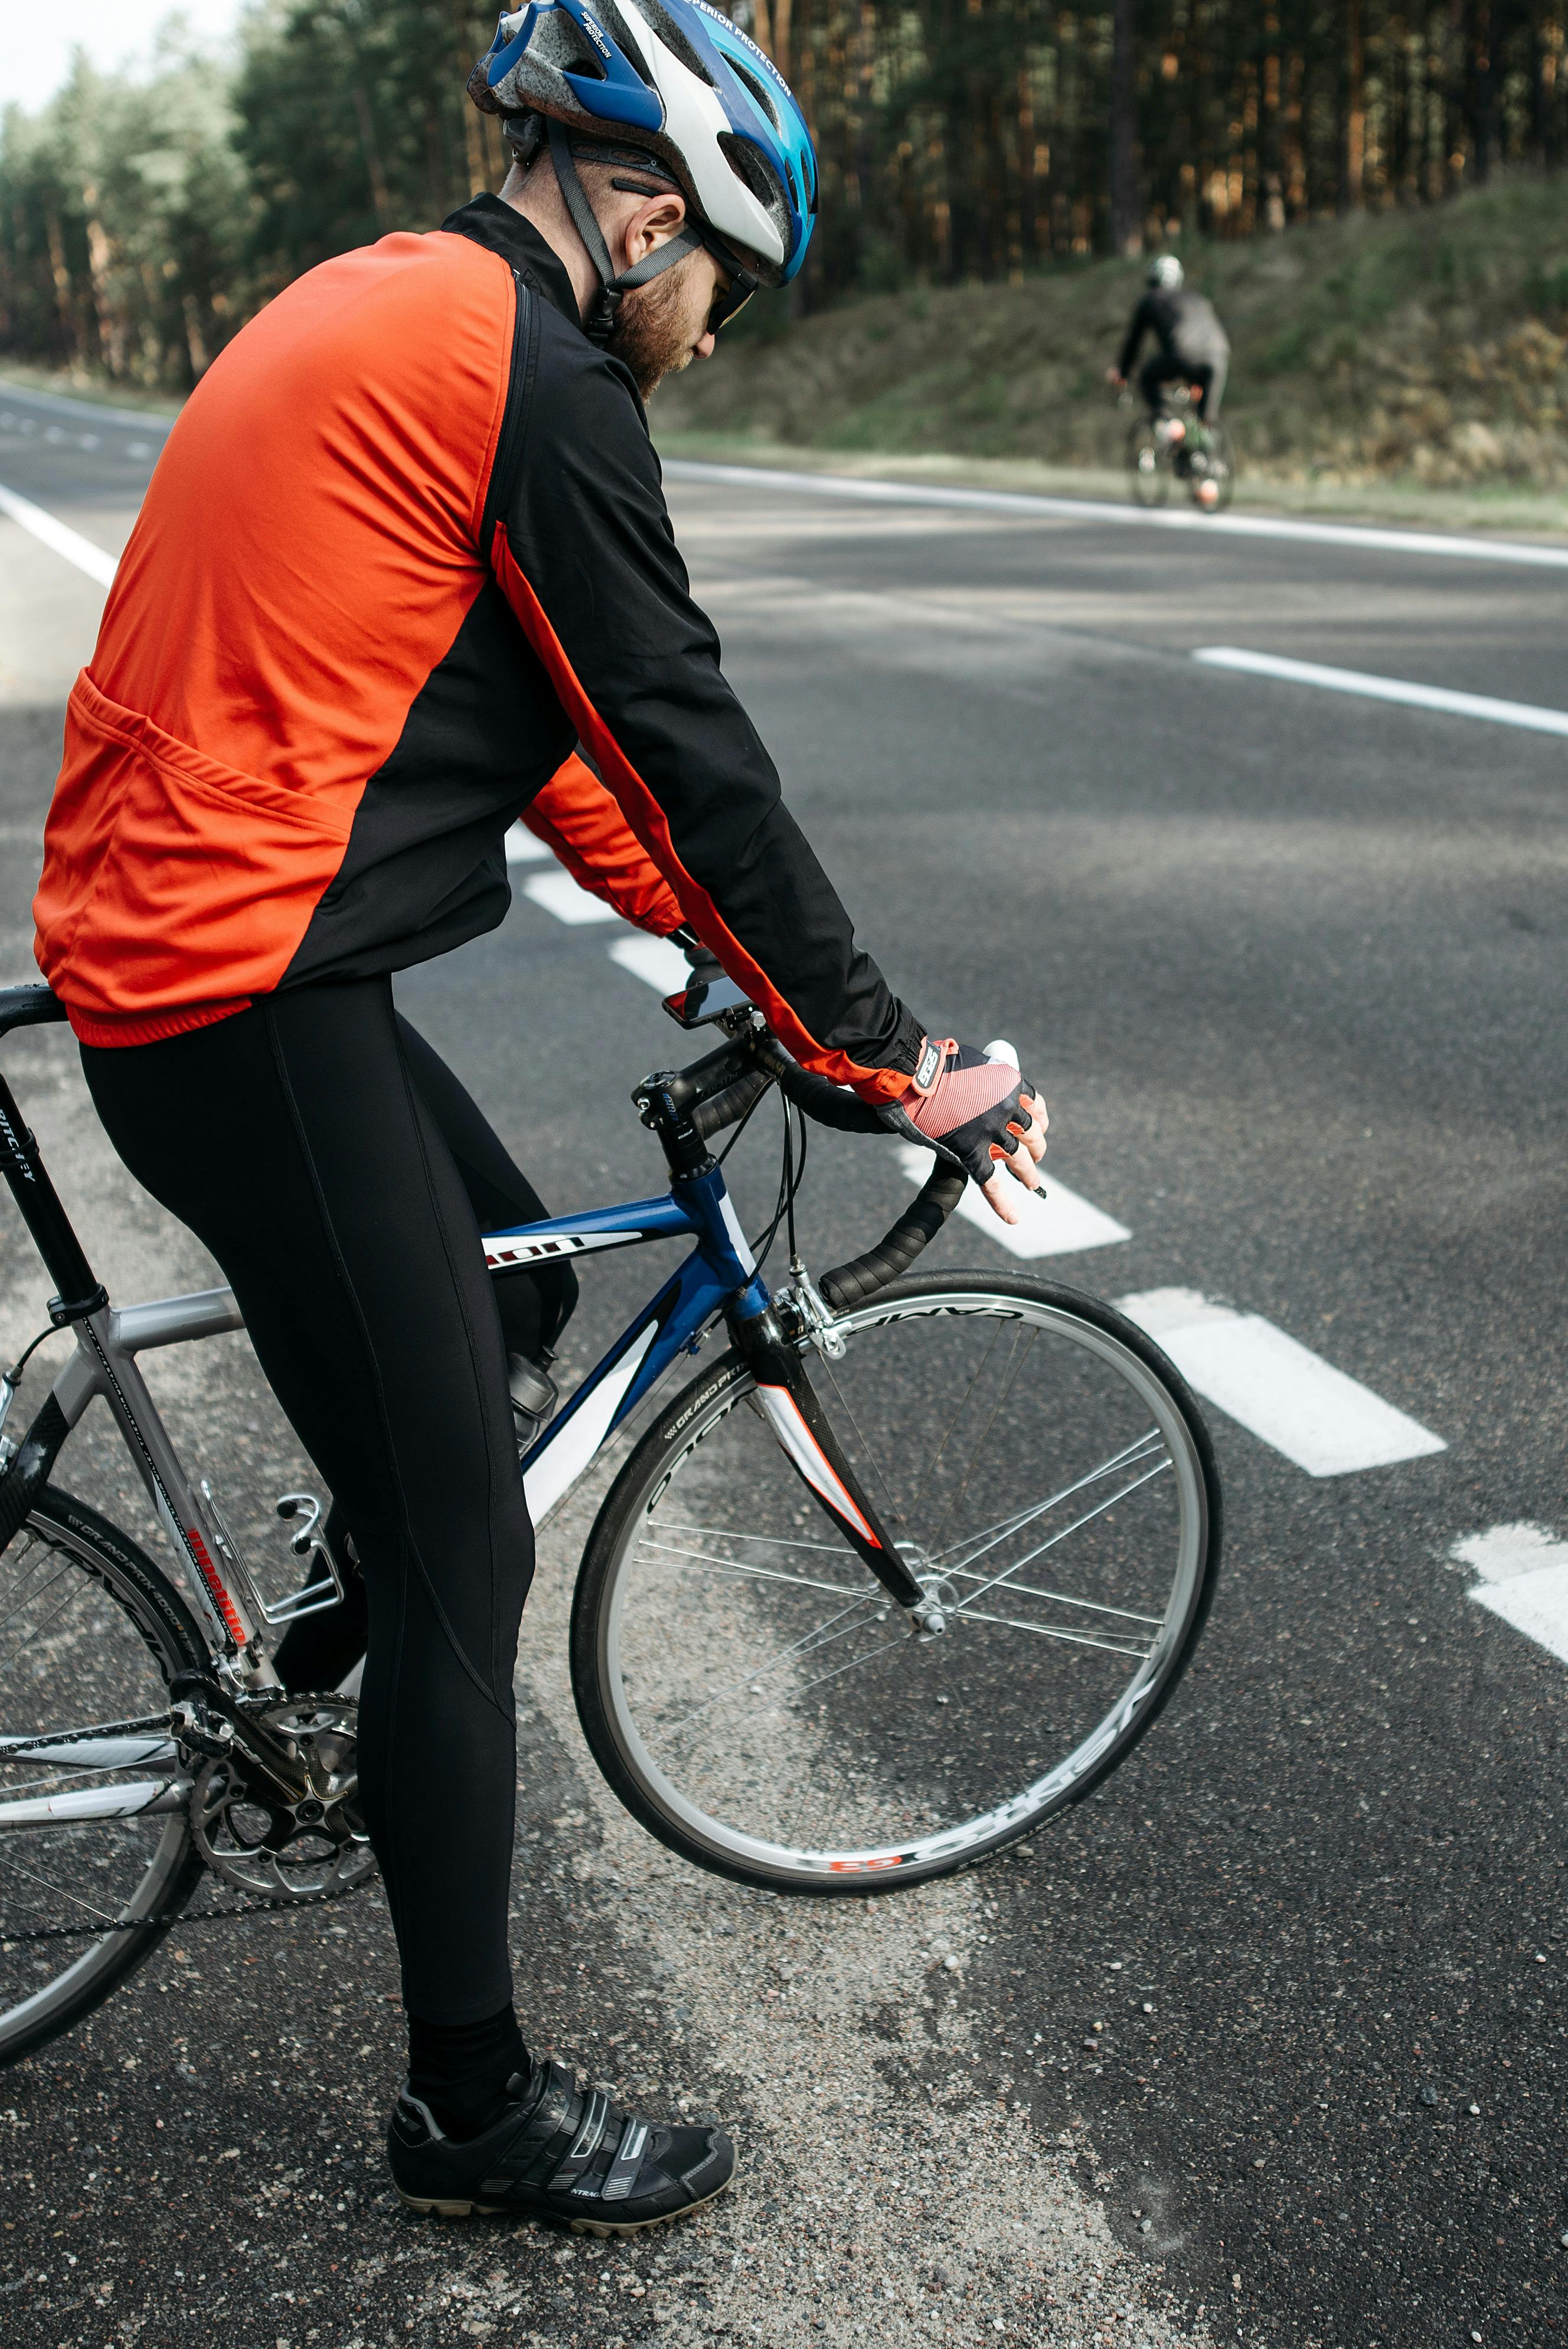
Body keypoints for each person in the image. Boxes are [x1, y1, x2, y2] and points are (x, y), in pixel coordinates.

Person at [31, 0, 1046, 2238]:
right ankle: (470, 2107)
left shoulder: (390, 299)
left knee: (509, 1296)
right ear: (648, 214)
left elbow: (565, 731)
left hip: (206, 969)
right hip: (237, 996)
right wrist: (881, 1061)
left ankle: (322, 1635)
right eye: (729, 288)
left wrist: (709, 949)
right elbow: (685, 731)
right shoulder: (544, 375)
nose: (714, 336)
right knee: (461, 1554)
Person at [1108, 253, 1230, 425]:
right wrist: (1195, 379)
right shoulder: (1197, 298)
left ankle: (1168, 425)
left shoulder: (1151, 300)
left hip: (1183, 356)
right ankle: (1204, 437)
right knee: (1205, 421)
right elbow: (1201, 339)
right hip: (1219, 357)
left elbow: (1134, 343)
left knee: (1147, 378)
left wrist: (1123, 372)